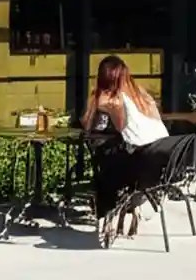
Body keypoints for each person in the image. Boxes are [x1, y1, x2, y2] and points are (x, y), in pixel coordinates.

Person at [82, 55, 170, 248]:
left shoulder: (113, 98)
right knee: (116, 159)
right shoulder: (142, 94)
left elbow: (91, 125)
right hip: (164, 162)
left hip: (142, 163)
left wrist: (94, 101)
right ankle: (131, 207)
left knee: (104, 167)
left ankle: (107, 214)